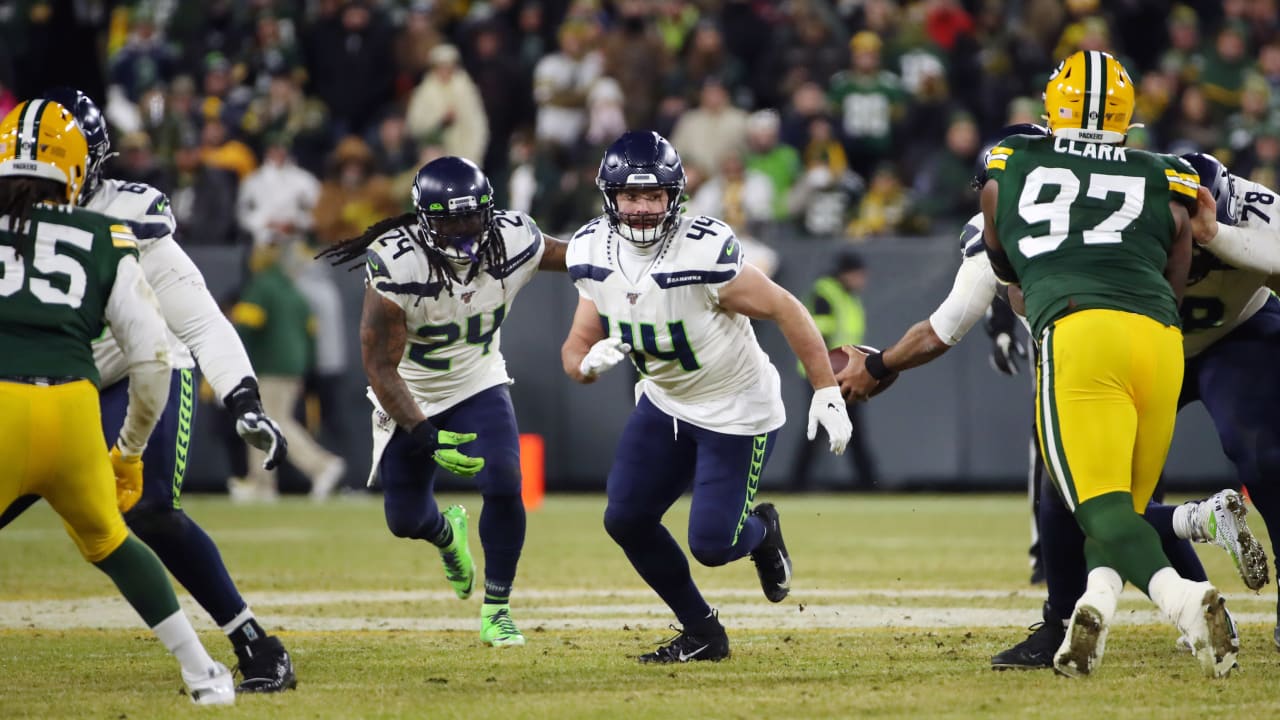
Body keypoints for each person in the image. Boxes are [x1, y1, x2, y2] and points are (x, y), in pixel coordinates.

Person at [836, 127, 1266, 672]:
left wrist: (878, 365)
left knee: (1076, 504)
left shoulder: (1003, 209)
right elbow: (1176, 266)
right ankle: (1123, 600)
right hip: (1161, 346)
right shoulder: (1137, 181)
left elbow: (946, 325)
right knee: (1118, 503)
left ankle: (1170, 561)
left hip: (1083, 364)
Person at [981, 50, 1232, 678]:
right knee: (1121, 508)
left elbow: (1002, 259)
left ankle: (1183, 599)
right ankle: (1090, 612)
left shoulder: (1008, 163)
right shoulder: (1171, 174)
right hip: (1158, 341)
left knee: (1095, 507)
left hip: (1078, 331)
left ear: (1052, 110)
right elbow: (1177, 279)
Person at [561, 131, 852, 663]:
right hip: (667, 401)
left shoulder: (701, 248)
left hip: (735, 407)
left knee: (714, 545)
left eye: (654, 196)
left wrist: (827, 390)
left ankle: (762, 534)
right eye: (631, 196)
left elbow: (787, 307)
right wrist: (585, 366)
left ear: (675, 197)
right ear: (610, 196)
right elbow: (577, 343)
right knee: (625, 519)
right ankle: (702, 632)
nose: (643, 209)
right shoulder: (589, 249)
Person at [47, 88, 297, 692]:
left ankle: (252, 642)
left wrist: (242, 397)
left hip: (144, 367)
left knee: (151, 508)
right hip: (55, 382)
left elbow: (204, 322)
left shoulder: (131, 222)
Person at [0, 99, 232, 704]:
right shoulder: (104, 233)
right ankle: (205, 674)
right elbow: (153, 356)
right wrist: (128, 449)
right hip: (76, 413)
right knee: (112, 540)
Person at [317, 156, 567, 647]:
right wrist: (424, 433)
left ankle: (497, 609)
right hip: (409, 391)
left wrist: (619, 257)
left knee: (505, 478)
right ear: (424, 220)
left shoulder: (512, 241)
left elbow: (576, 256)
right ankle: (447, 536)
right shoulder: (397, 262)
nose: (463, 229)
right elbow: (380, 368)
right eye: (449, 219)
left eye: (472, 216)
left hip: (477, 380)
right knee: (405, 520)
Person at [790, 248, 878, 491]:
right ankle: (797, 484)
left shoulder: (848, 296)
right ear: (846, 274)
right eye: (859, 274)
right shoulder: (826, 293)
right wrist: (828, 376)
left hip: (843, 373)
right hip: (824, 374)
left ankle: (868, 482)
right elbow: (820, 336)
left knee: (851, 428)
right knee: (819, 428)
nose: (862, 280)